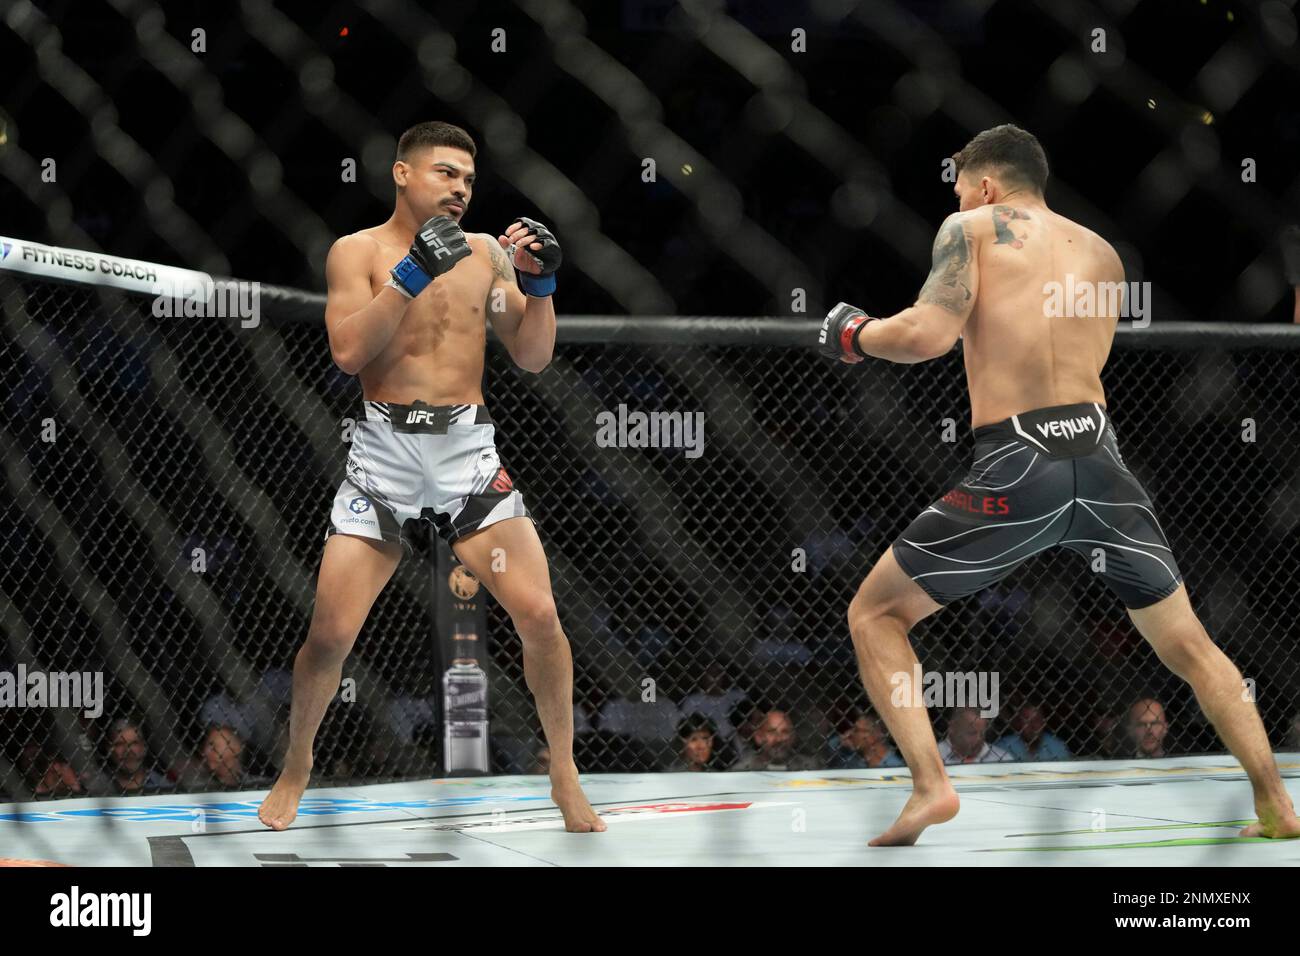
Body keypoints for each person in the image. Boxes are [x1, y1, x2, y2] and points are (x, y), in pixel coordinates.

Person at [820, 124, 1300, 845]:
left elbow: (927, 335)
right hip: (1101, 460)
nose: (955, 196)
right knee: (1192, 645)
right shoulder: (1103, 253)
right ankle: (1275, 802)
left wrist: (855, 333)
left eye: (958, 185)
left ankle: (930, 786)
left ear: (985, 184)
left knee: (875, 614)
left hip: (1018, 461)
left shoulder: (972, 226)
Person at [258, 121, 603, 833]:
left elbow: (533, 357)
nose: (461, 189)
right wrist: (411, 274)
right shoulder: (357, 252)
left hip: (466, 457)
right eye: (446, 173)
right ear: (403, 175)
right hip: (383, 457)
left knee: (539, 614)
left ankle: (564, 769)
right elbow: (349, 351)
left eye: (470, 180)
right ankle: (297, 763)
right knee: (329, 636)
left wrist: (540, 288)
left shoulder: (485, 255)